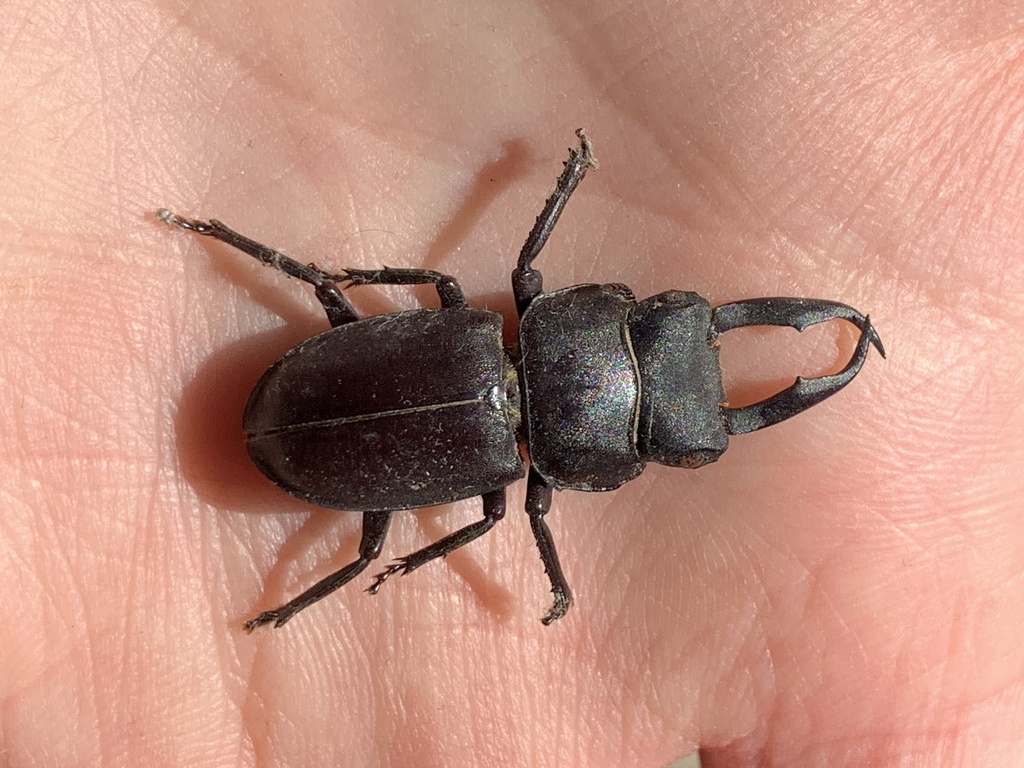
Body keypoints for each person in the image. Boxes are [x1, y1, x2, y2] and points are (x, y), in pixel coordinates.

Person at [1, 1, 1020, 765]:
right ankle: (290, 600)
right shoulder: (512, 478)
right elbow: (514, 520)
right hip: (350, 440)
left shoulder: (496, 327)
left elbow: (509, 289)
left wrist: (558, 187)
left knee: (342, 296)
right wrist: (546, 575)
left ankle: (233, 253)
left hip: (336, 414)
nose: (700, 340)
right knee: (391, 532)